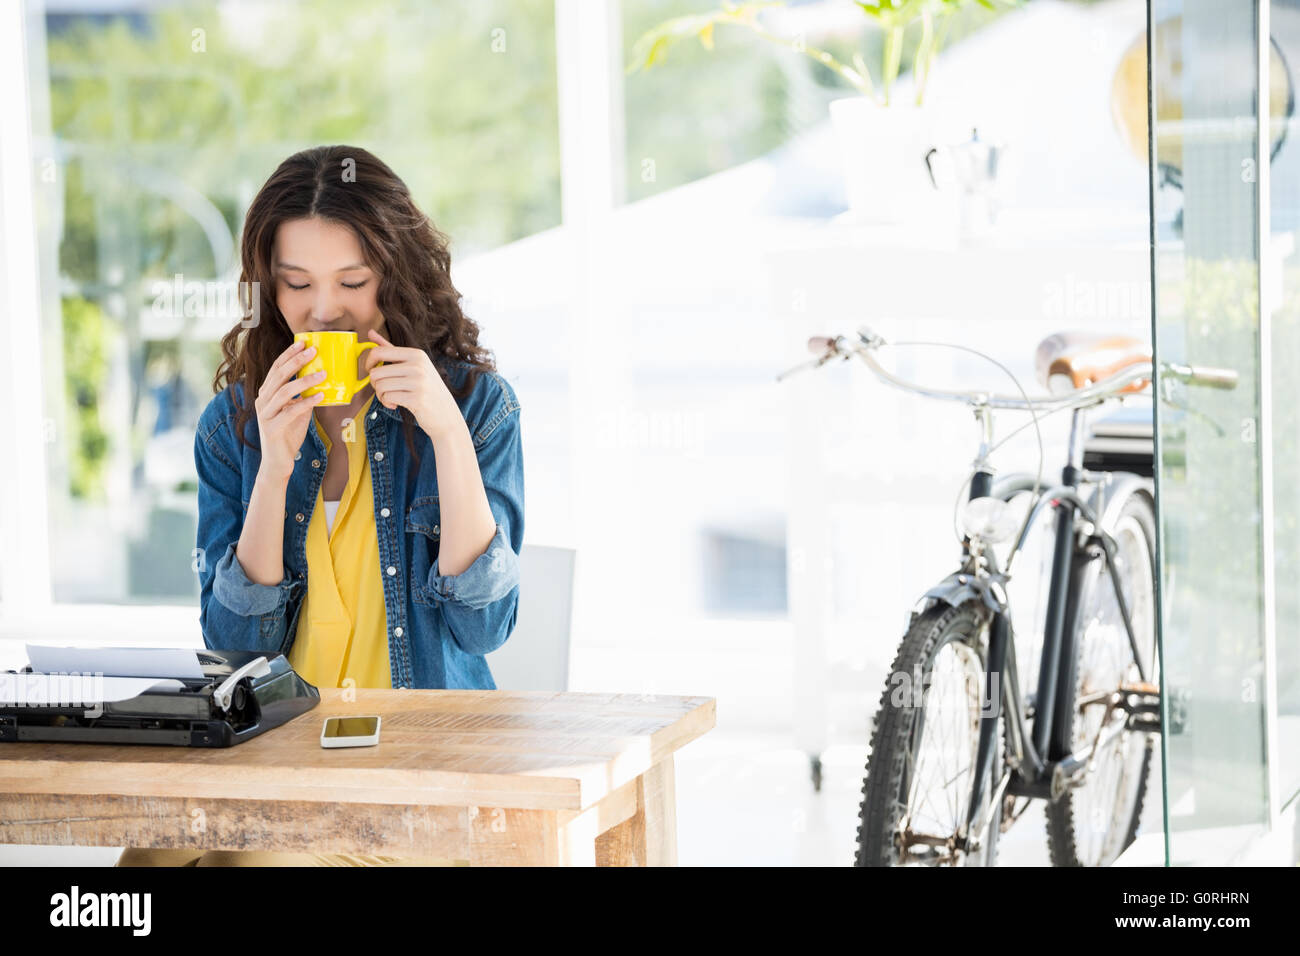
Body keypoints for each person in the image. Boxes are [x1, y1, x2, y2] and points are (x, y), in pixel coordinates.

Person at [115, 144, 524, 867]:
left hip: (415, 773)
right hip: (277, 753)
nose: (324, 311)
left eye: (353, 282)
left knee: (241, 863)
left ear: (396, 276)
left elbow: (484, 624)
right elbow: (238, 647)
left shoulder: (475, 406)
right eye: (296, 284)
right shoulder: (234, 424)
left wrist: (447, 435)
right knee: (145, 860)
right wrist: (272, 471)